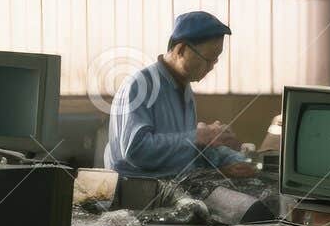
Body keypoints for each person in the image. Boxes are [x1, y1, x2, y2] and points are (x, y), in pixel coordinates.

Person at [105, 11, 257, 179]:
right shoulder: (140, 86)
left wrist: (229, 159)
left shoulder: (184, 90)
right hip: (137, 193)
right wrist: (197, 136)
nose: (212, 66)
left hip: (174, 187)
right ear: (181, 50)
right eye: (208, 59)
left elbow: (184, 152)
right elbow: (136, 151)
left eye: (216, 60)